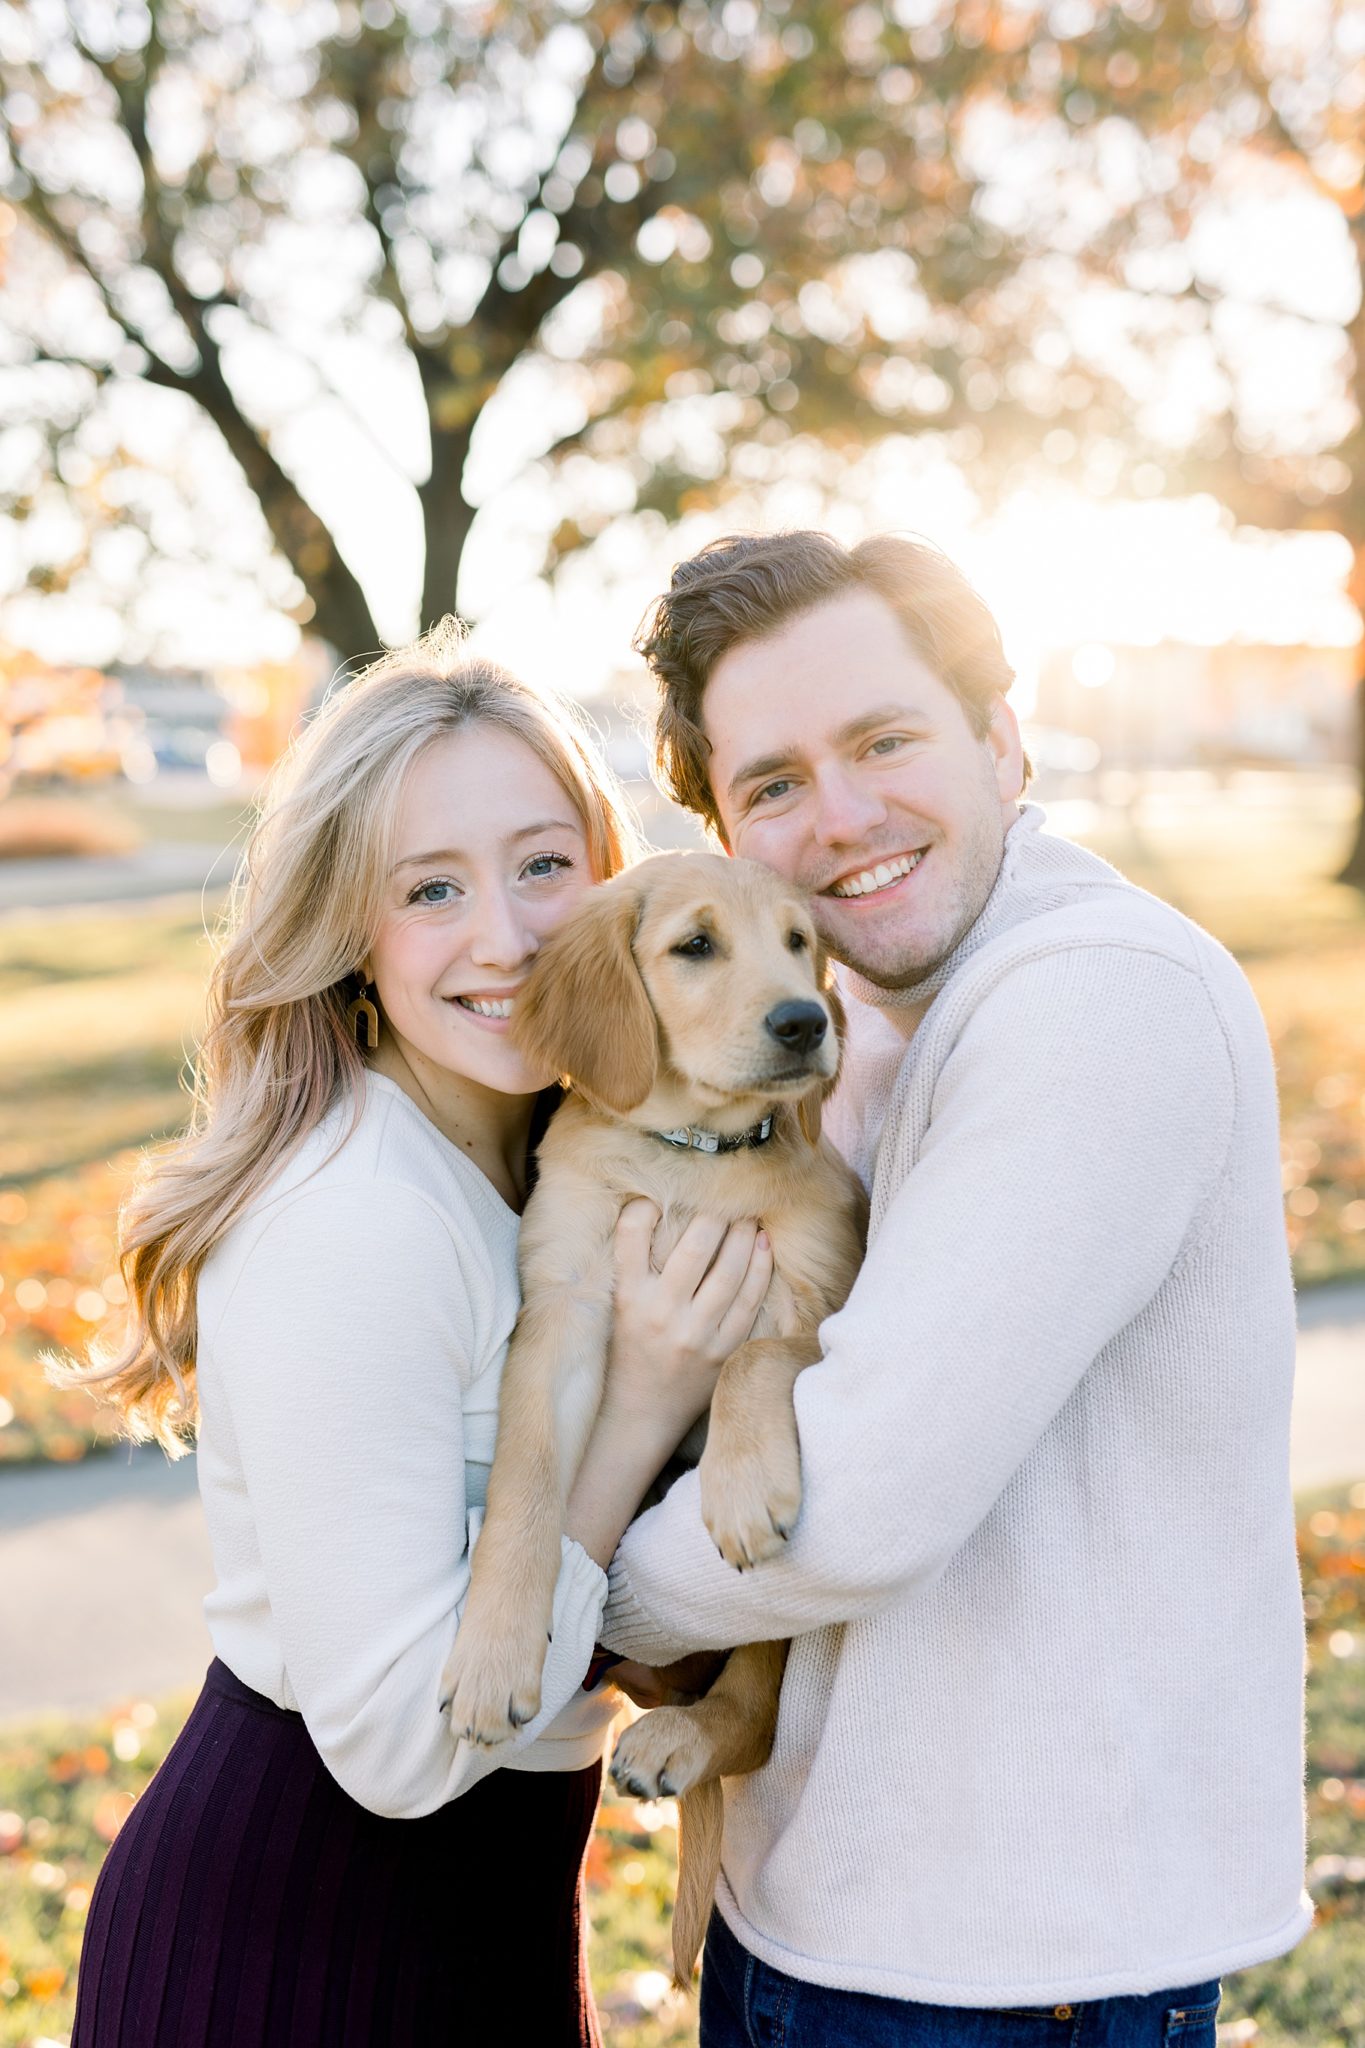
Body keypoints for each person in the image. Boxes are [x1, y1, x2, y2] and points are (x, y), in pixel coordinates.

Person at [596, 532, 1309, 2046]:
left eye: (884, 739)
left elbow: (853, 1499)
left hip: (1000, 1970)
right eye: (772, 783)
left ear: (1000, 736)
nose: (842, 814)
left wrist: (571, 1595)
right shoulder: (843, 1022)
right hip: (813, 1914)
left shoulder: (1100, 998)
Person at [56, 620, 773, 2048]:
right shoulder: (356, 1225)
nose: (504, 939)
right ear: (350, 937)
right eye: (430, 889)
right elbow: (392, 1746)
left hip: (477, 1922)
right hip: (297, 1951)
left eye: (543, 866)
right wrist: (641, 1406)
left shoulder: (541, 1168)